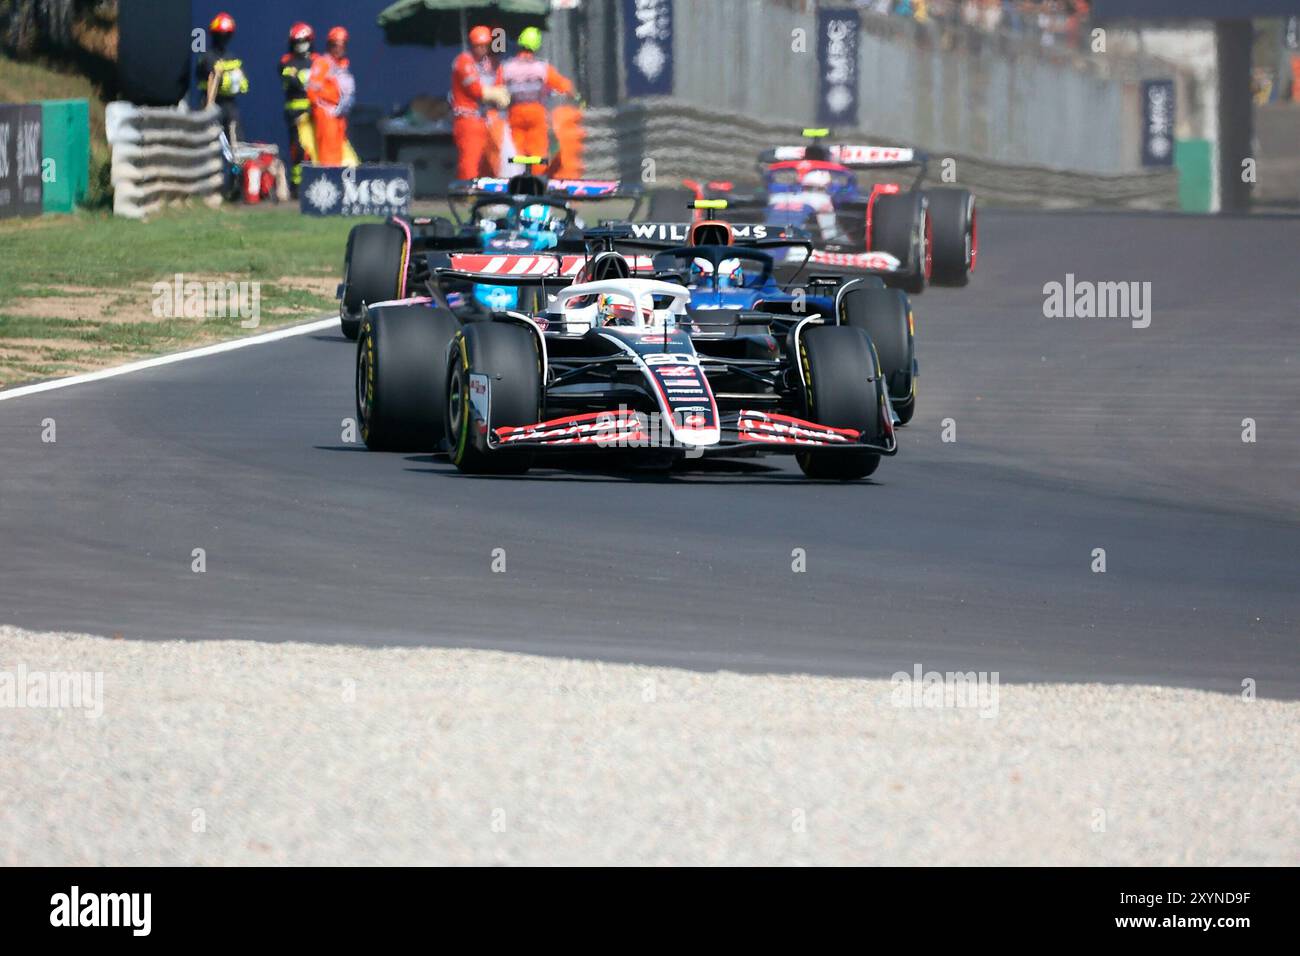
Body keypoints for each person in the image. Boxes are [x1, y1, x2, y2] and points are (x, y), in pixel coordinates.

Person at [498, 26, 574, 173]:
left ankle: (516, 181)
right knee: (538, 151)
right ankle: (538, 181)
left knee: (516, 150)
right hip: (536, 112)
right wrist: (576, 97)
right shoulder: (542, 67)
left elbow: (497, 88)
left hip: (515, 113)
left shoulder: (506, 67)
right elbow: (564, 86)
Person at [450, 25, 510, 180]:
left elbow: (499, 82)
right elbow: (475, 90)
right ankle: (468, 193)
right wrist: (496, 94)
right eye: (478, 46)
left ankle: (485, 194)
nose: (482, 49)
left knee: (489, 161)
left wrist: (500, 92)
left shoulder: (491, 64)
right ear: (472, 45)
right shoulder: (463, 61)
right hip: (468, 119)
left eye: (485, 45)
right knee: (470, 160)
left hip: (486, 119)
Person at [197, 12, 249, 144]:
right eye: (220, 34)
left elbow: (242, 79)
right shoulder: (207, 57)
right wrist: (224, 79)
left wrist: (239, 81)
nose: (223, 38)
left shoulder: (232, 57)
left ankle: (237, 164)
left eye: (226, 35)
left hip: (230, 105)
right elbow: (211, 77)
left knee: (236, 138)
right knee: (208, 139)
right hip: (212, 103)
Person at [308, 26, 357, 166]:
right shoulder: (322, 63)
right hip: (327, 115)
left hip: (340, 115)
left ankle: (336, 180)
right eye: (336, 45)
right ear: (330, 45)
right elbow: (312, 91)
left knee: (338, 153)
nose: (339, 49)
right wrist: (324, 108)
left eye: (342, 45)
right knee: (328, 155)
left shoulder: (343, 65)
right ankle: (329, 180)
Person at [280, 22, 317, 195]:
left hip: (314, 111)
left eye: (303, 40)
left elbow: (319, 84)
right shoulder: (287, 62)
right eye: (297, 41)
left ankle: (313, 181)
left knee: (313, 147)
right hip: (294, 113)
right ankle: (297, 184)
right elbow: (294, 83)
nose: (300, 44)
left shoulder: (316, 61)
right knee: (298, 147)